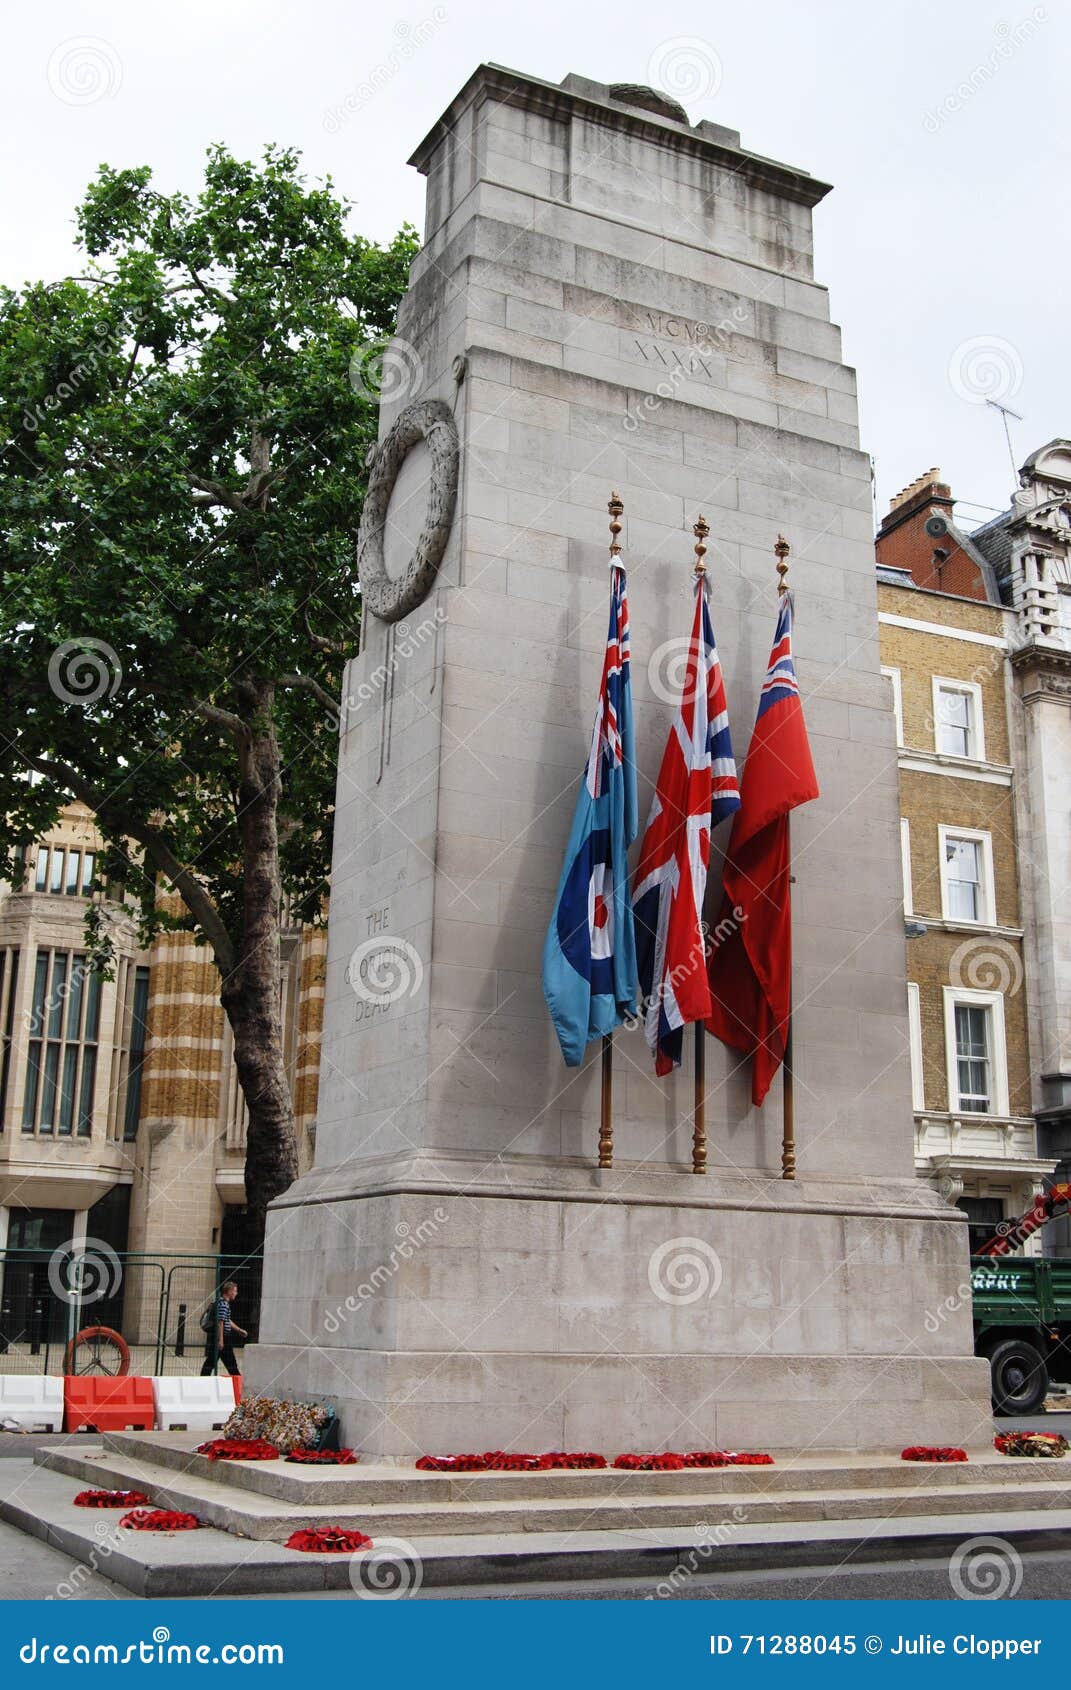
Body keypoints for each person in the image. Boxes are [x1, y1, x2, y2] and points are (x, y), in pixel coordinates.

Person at [200, 1279, 247, 1376]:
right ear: (229, 1291)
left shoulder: (220, 1302)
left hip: (219, 1336)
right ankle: (238, 1384)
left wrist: (238, 1330)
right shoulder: (224, 1304)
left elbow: (226, 1320)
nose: (236, 1293)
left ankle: (203, 1379)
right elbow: (220, 1322)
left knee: (212, 1361)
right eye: (235, 1291)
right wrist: (221, 1340)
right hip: (222, 1337)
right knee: (230, 1363)